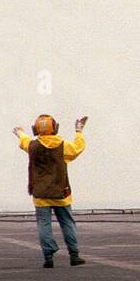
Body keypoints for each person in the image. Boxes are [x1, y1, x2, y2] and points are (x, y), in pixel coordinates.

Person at [12, 115, 88, 268]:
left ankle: (48, 257)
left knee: (43, 225)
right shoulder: (63, 146)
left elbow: (24, 142)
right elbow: (77, 148)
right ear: (55, 128)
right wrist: (79, 130)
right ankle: (74, 255)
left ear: (36, 129)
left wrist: (20, 132)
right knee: (67, 223)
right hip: (61, 193)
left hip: (40, 194)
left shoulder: (33, 146)